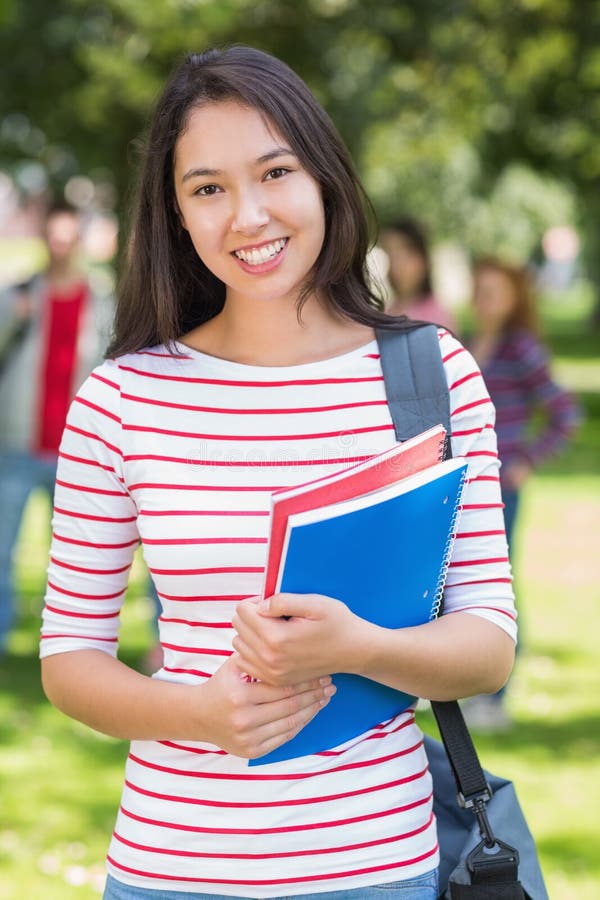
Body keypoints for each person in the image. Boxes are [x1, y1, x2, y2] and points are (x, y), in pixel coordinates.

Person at [39, 47, 516, 900]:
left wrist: (360, 648)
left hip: (379, 868)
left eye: (276, 171)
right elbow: (70, 657)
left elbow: (488, 647)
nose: (249, 216)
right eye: (208, 188)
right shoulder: (123, 398)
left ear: (324, 177)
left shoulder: (431, 375)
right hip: (170, 869)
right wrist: (196, 714)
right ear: (176, 214)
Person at [463, 256, 580, 731]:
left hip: (502, 484)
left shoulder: (519, 349)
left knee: (497, 582)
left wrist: (529, 459)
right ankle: (466, 688)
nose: (485, 299)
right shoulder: (469, 344)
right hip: (465, 482)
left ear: (514, 299)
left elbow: (565, 413)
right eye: (480, 289)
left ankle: (498, 697)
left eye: (495, 291)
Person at [0, 201, 113, 654]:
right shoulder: (19, 295)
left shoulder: (103, 301)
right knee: (2, 551)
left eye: (69, 240)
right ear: (45, 240)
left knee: (73, 561)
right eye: (54, 239)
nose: (61, 248)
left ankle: (67, 648)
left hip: (76, 452)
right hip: (17, 443)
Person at [380, 219, 457, 332]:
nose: (397, 266)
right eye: (391, 255)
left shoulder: (437, 319)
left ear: (423, 259)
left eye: (404, 255)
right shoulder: (385, 314)